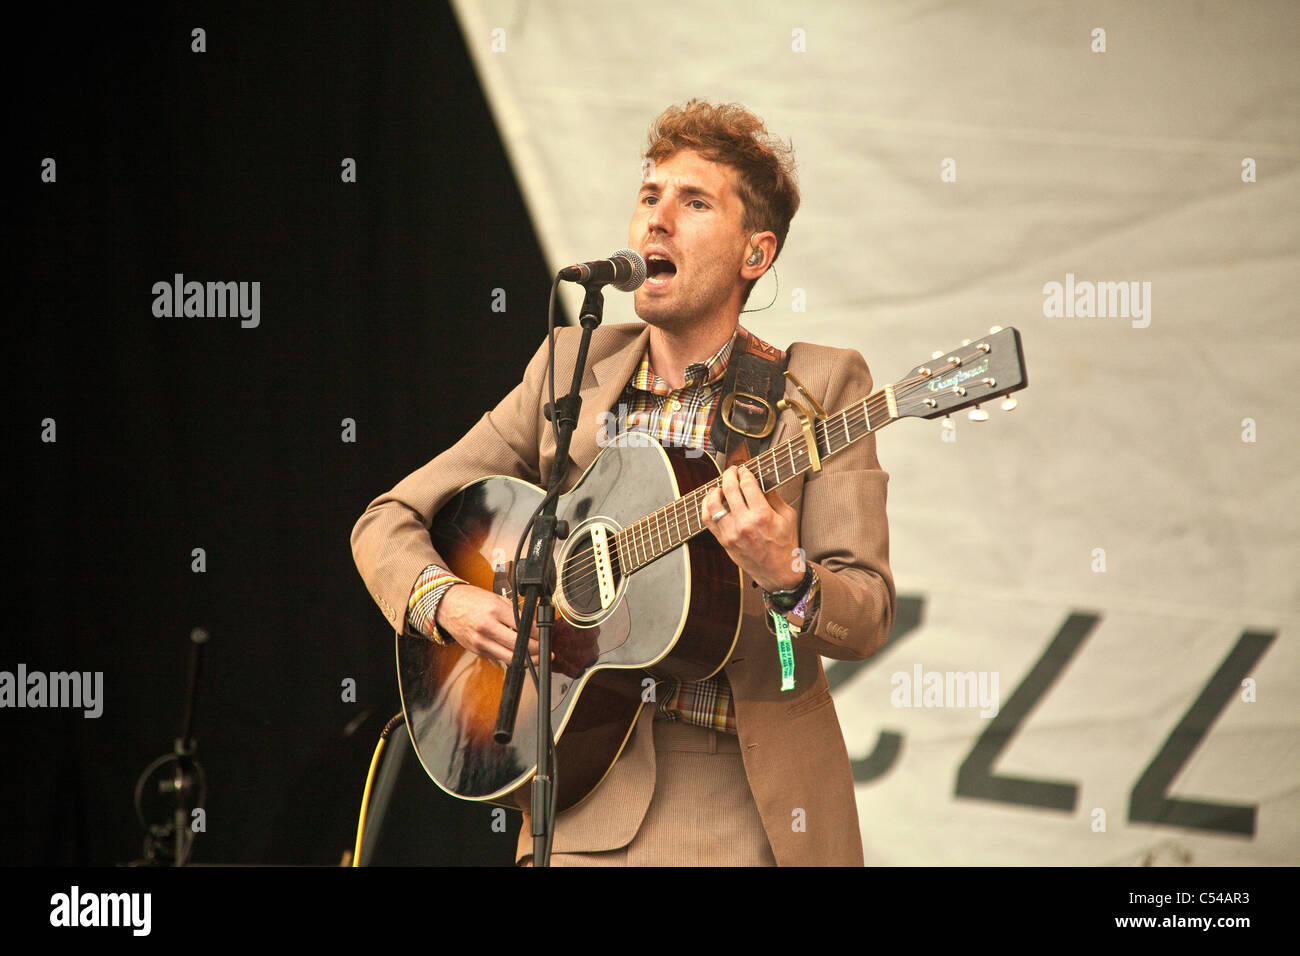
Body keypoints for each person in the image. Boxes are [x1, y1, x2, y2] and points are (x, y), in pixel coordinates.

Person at [351, 99, 895, 866]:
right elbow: (390, 517)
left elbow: (865, 614)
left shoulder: (820, 388)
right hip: (582, 791)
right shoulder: (571, 366)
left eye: (694, 201)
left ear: (756, 254)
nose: (657, 221)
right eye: (650, 197)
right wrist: (448, 602)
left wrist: (788, 575)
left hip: (745, 806)